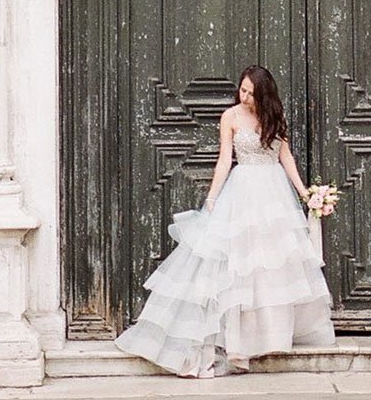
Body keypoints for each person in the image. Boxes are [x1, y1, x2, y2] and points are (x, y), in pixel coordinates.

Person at [117, 66, 336, 378]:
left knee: (269, 269)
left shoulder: (274, 116)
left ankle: (269, 338)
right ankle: (236, 348)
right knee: (238, 270)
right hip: (243, 191)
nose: (243, 96)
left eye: (249, 92)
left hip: (274, 197)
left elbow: (285, 156)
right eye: (242, 90)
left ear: (263, 94)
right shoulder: (230, 117)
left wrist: (305, 194)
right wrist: (212, 197)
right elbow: (224, 160)